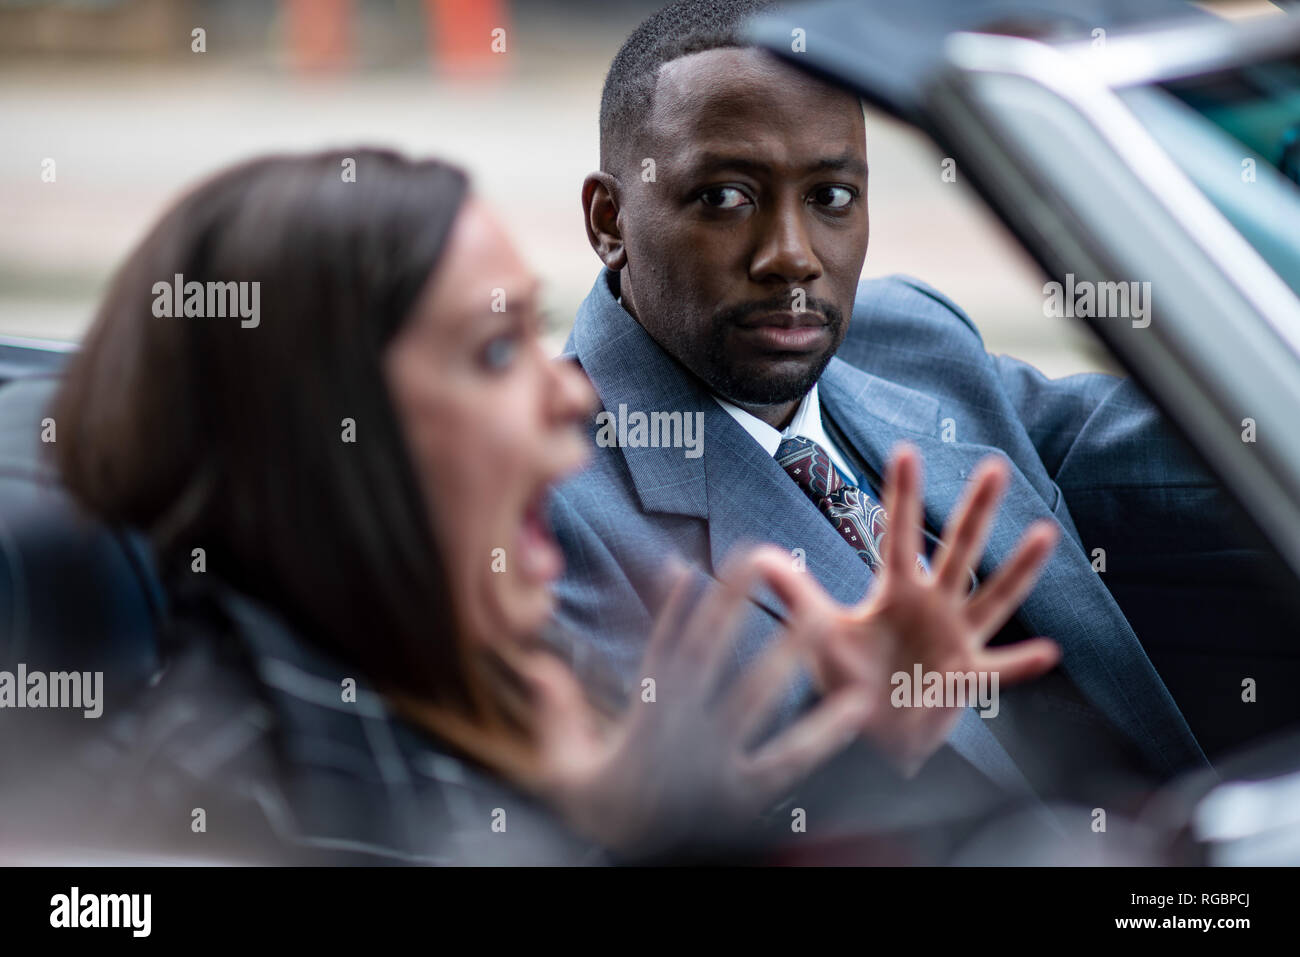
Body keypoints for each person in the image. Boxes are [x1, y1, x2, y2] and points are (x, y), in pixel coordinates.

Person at [33, 147, 1053, 864]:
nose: (569, 389)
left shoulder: (510, 685)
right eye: (493, 352)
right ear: (328, 433)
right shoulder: (229, 800)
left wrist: (861, 750)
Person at [548, 0, 1267, 827]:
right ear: (611, 221)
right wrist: (868, 735)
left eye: (831, 194)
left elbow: (1197, 442)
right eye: (725, 197)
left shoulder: (911, 338)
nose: (792, 254)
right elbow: (635, 831)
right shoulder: (549, 505)